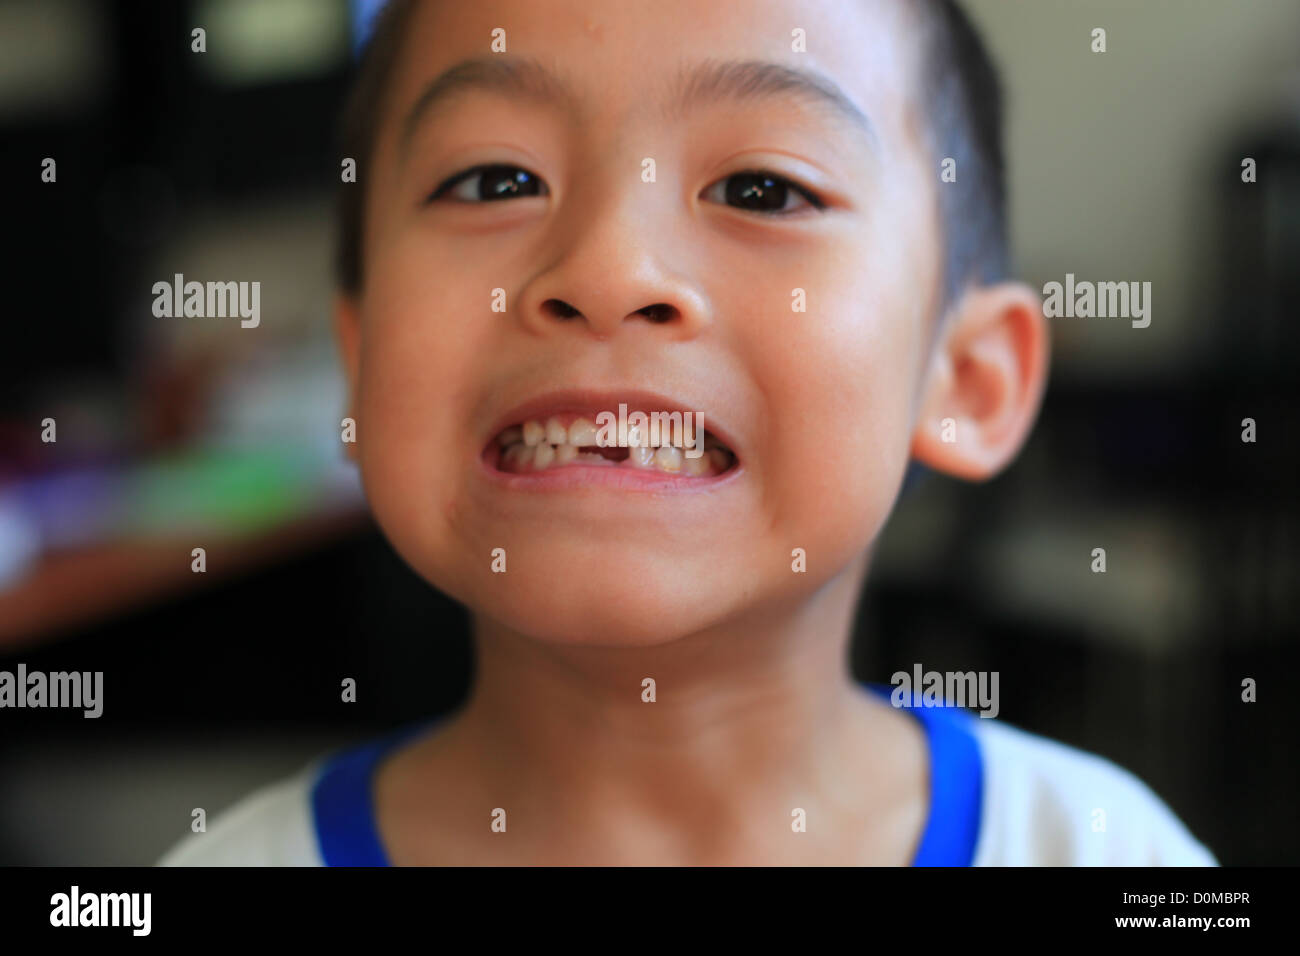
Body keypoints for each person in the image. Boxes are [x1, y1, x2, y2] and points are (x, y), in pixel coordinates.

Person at [159, 0, 1216, 866]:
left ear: (969, 381)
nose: (608, 269)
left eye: (763, 188)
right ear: (360, 365)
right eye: (493, 179)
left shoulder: (1108, 853)